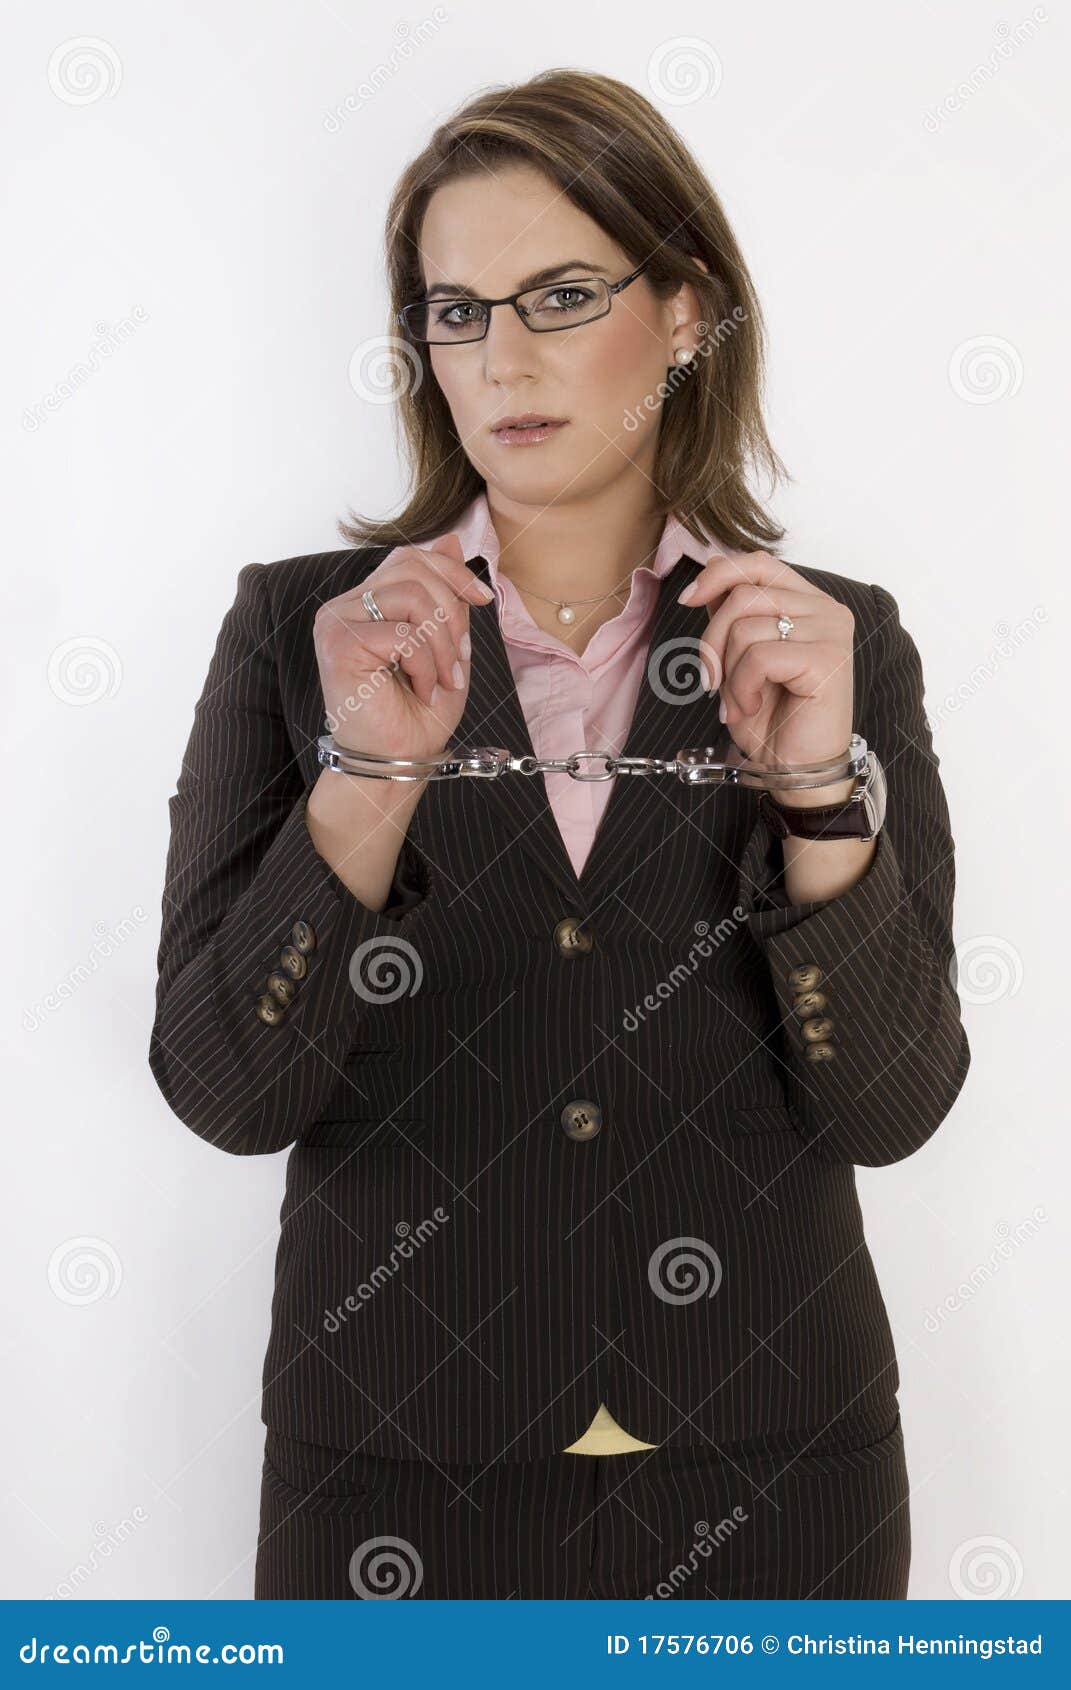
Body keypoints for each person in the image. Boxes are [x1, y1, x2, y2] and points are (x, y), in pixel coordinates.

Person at [148, 68, 970, 1600]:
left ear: (682, 315)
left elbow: (896, 1104)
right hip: (393, 1483)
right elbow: (225, 1088)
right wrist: (367, 778)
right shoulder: (297, 636)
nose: (501, 355)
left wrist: (814, 798)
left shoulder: (837, 643)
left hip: (776, 1480)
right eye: (457, 310)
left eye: (561, 294)